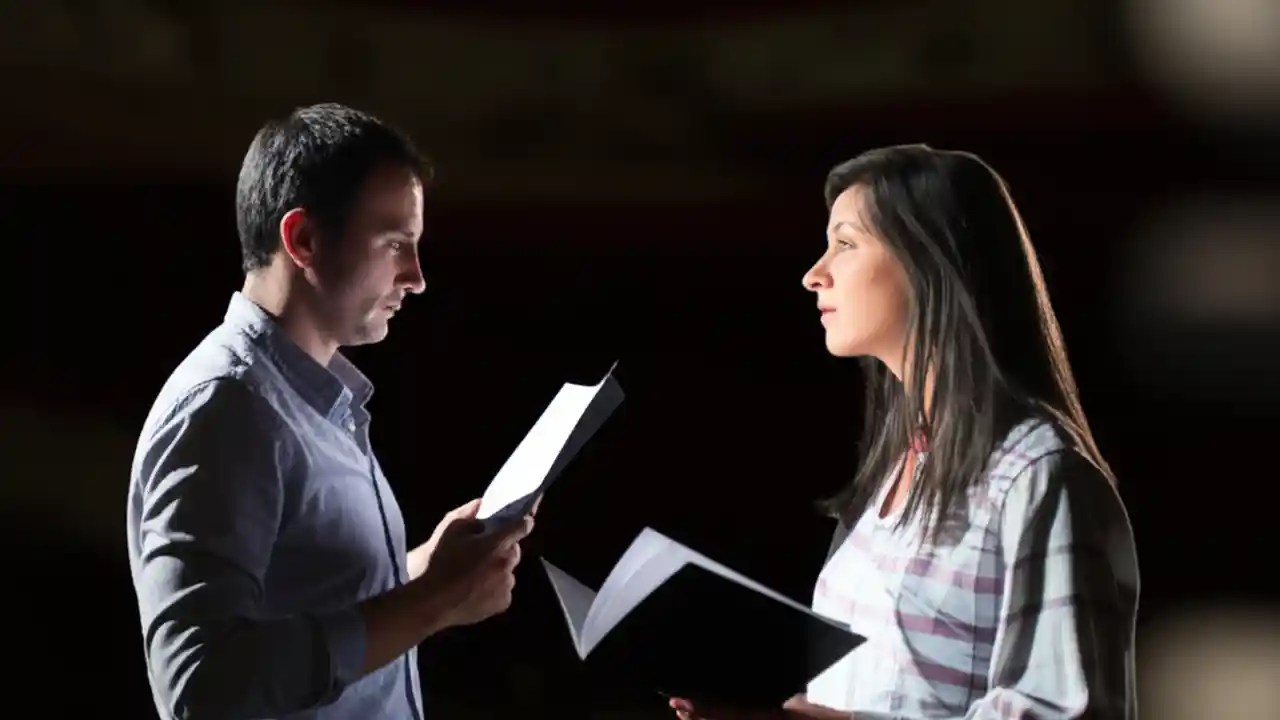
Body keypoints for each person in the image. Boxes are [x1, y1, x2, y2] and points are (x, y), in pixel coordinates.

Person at [669, 145, 1140, 719]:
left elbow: (1064, 711)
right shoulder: (899, 466)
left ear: (928, 261)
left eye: (844, 244)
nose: (814, 274)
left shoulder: (1039, 476)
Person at [125, 103, 534, 720]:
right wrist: (434, 599)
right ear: (304, 240)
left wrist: (433, 567)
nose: (417, 277)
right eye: (395, 244)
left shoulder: (313, 402)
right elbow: (201, 687)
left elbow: (314, 596)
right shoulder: (227, 409)